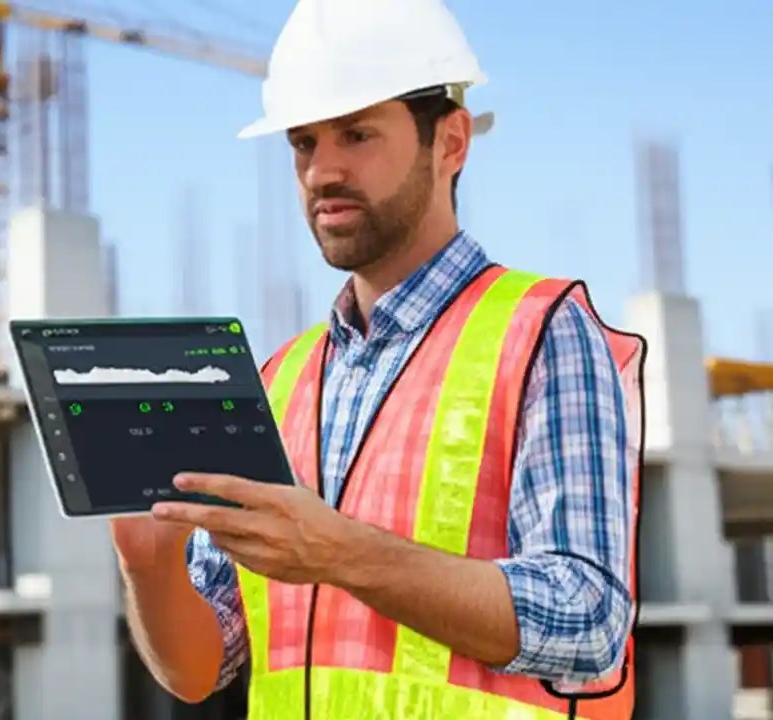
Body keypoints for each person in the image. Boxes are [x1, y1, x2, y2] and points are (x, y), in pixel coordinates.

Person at [110, 0, 645, 718]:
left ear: (451, 142)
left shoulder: (542, 333)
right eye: (303, 143)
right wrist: (150, 568)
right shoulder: (279, 380)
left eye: (357, 134)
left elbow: (590, 623)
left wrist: (341, 553)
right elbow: (207, 666)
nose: (322, 170)